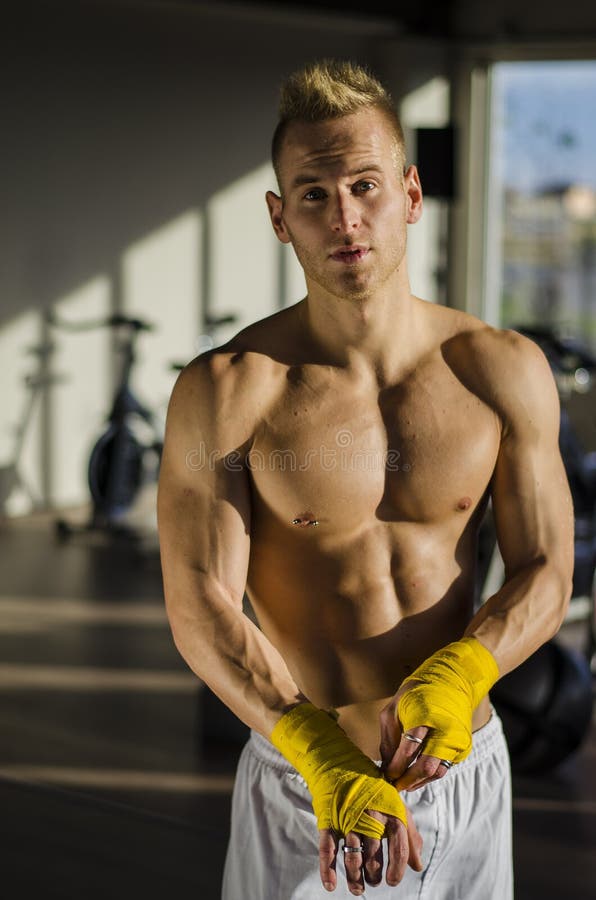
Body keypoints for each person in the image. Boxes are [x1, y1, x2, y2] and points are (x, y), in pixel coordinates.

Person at [157, 60, 574, 899]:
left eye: (366, 185)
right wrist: (313, 749)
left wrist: (463, 674)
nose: (344, 216)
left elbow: (546, 569)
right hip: (309, 781)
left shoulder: (501, 370)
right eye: (313, 193)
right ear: (280, 218)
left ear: (412, 195)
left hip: (464, 774)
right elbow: (200, 601)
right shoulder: (229, 391)